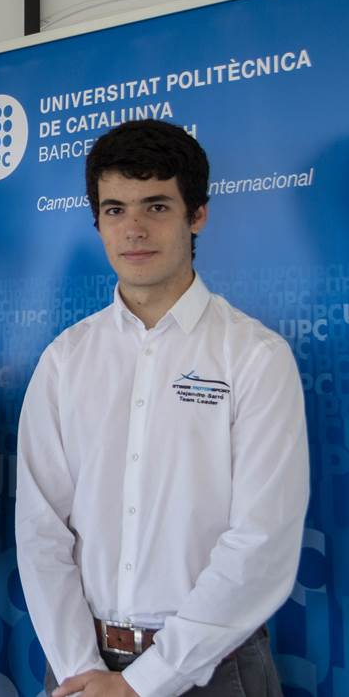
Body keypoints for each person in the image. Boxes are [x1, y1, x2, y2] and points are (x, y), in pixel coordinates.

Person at [16, 119, 309, 697]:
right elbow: (40, 528)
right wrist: (82, 669)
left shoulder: (254, 356)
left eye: (156, 206)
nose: (134, 230)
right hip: (81, 667)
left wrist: (145, 682)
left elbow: (260, 541)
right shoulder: (65, 360)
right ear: (97, 220)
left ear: (196, 215)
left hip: (215, 669)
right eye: (115, 210)